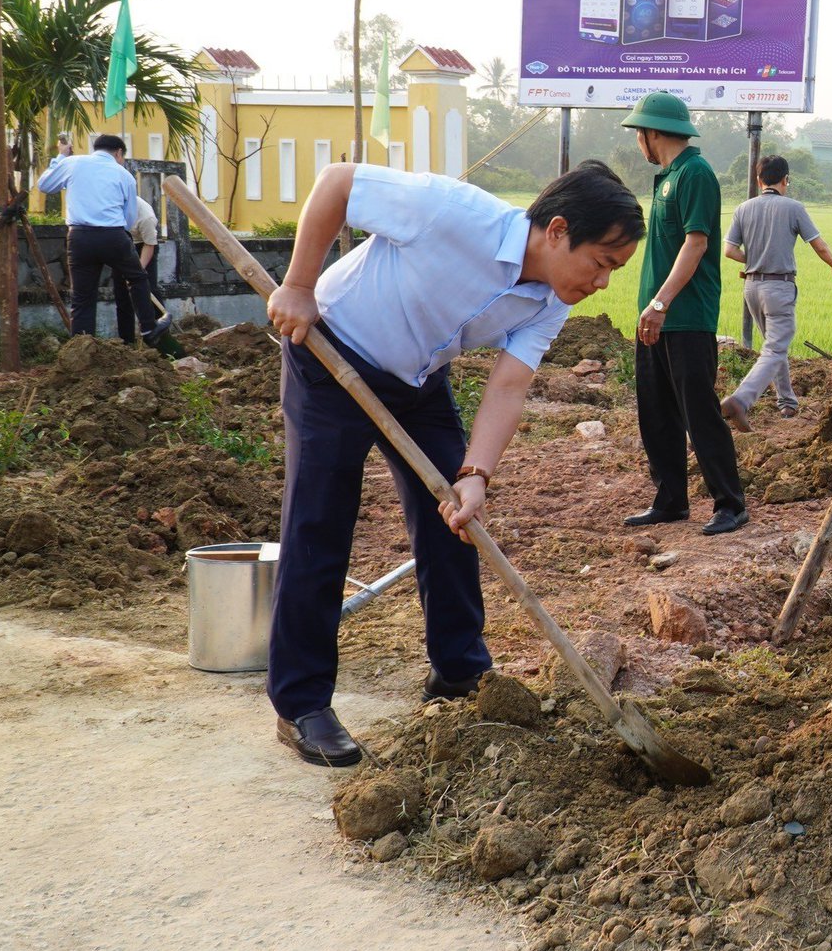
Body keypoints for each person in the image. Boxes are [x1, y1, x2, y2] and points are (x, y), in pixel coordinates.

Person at [262, 160, 644, 766]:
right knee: (320, 525)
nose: (602, 282)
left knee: (455, 520)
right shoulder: (451, 213)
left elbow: (510, 385)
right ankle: (302, 704)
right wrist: (300, 286)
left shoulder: (549, 300)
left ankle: (459, 674)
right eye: (601, 262)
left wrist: (476, 476)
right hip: (331, 355)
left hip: (418, 379)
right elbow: (336, 182)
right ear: (558, 230)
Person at [618, 91, 748, 536]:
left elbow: (697, 243)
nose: (639, 143)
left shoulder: (695, 174)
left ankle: (730, 503)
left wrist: (660, 303)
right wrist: (649, 306)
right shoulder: (669, 175)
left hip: (685, 315)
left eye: (639, 134)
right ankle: (670, 499)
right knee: (656, 412)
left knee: (698, 411)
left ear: (652, 133)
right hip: (655, 314)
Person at [719, 155, 832, 429]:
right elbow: (819, 245)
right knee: (776, 348)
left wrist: (753, 262)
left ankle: (787, 403)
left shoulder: (743, 208)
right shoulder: (794, 207)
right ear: (786, 180)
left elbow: (729, 250)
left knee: (773, 346)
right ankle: (741, 399)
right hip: (778, 288)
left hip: (752, 288)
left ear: (758, 180)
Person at [36, 133, 169, 344]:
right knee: (137, 278)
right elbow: (129, 217)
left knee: (82, 297)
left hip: (79, 237)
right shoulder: (123, 174)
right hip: (113, 235)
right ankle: (148, 329)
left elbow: (44, 185)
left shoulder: (73, 163)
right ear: (118, 153)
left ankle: (81, 346)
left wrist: (61, 157)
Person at [112, 196, 168, 343]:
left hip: (143, 246)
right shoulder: (111, 206)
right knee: (122, 293)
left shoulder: (146, 217)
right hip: (122, 245)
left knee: (148, 288)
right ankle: (127, 340)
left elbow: (149, 245)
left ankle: (161, 334)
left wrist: (136, 273)